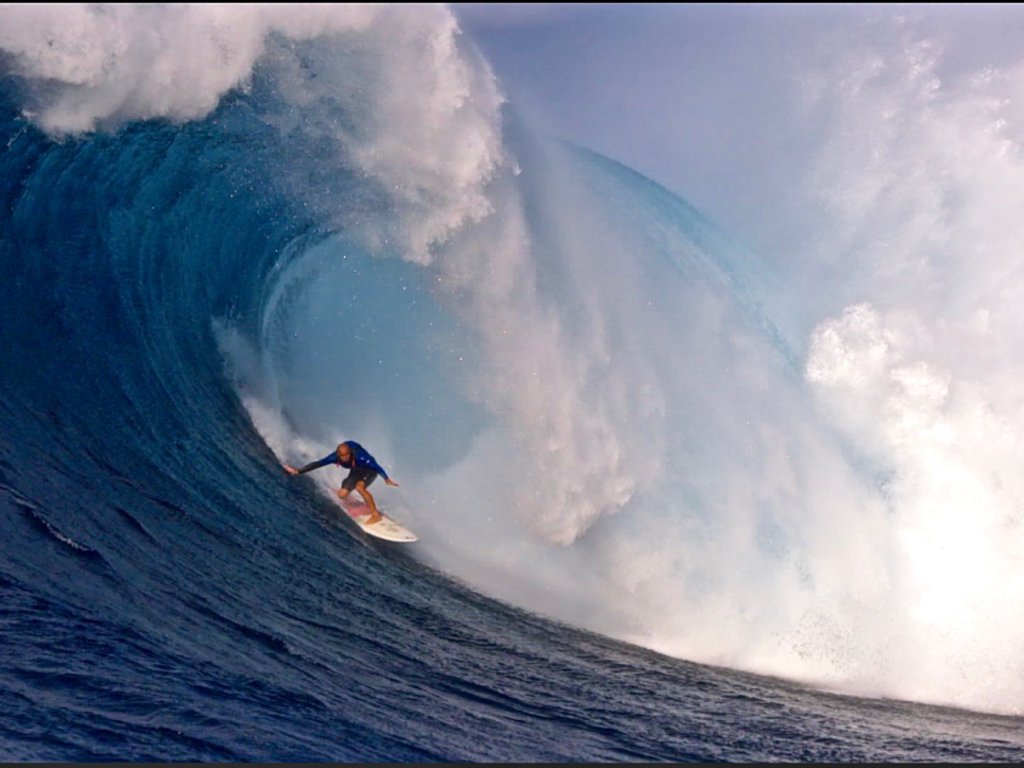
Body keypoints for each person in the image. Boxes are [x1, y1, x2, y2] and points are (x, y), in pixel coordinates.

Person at [284, 440, 399, 525]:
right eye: (342, 456)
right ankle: (349, 490)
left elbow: (377, 467)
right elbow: (318, 463)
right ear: (338, 455)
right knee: (342, 495)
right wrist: (299, 471)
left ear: (350, 453)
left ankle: (375, 515)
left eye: (347, 455)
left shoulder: (362, 458)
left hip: (370, 471)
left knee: (360, 488)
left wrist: (386, 479)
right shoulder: (334, 457)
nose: (345, 458)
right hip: (356, 470)